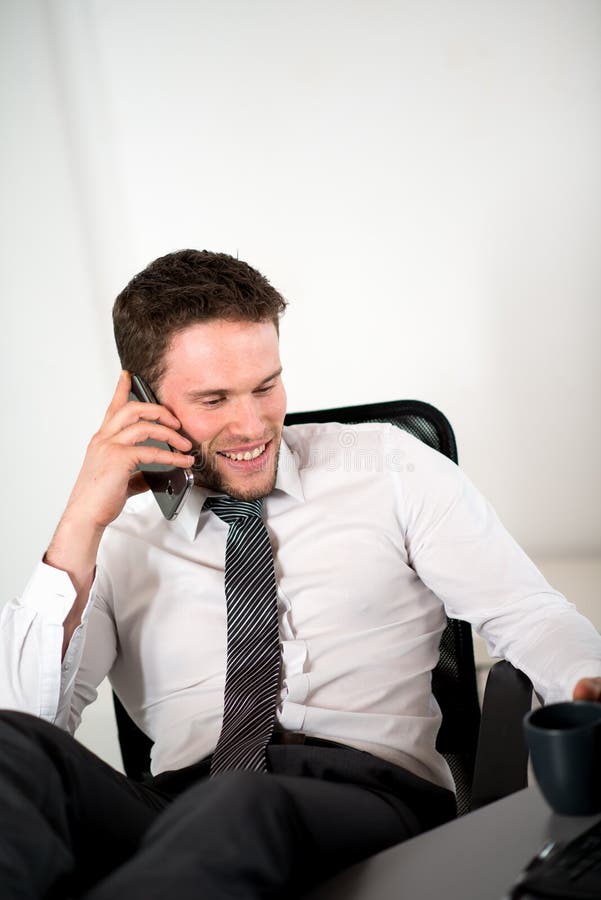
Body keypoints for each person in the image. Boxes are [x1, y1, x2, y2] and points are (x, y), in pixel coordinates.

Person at [1, 249, 600, 900]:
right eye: (214, 399)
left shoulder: (389, 468)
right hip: (178, 815)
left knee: (238, 802)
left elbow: (528, 616)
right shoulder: (118, 541)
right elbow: (28, 726)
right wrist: (80, 522)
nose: (254, 424)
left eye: (266, 385)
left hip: (368, 800)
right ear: (143, 401)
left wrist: (582, 682)